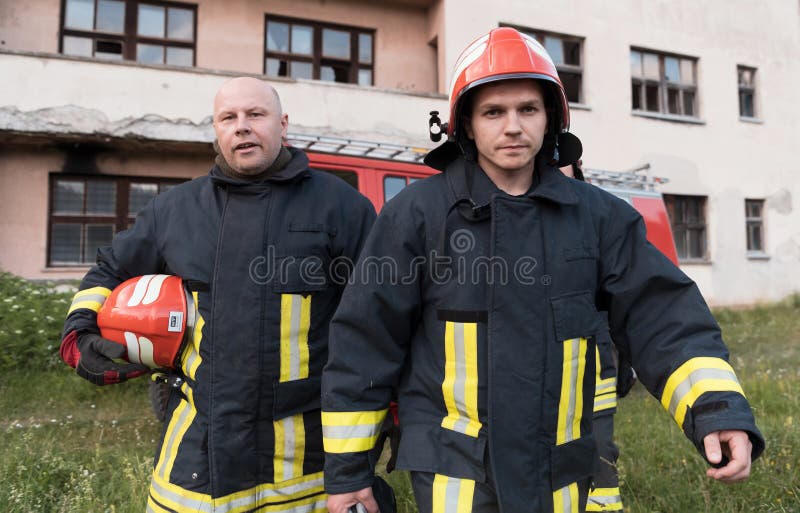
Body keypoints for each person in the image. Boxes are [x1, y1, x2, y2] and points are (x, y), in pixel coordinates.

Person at [320, 27, 764, 513]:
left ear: (550, 117)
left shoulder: (600, 218)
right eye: (494, 112)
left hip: (561, 471)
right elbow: (365, 344)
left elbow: (663, 318)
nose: (513, 127)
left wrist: (716, 410)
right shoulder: (415, 217)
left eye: (527, 110)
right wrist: (347, 472)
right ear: (465, 124)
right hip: (455, 474)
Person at [59, 77, 376, 512]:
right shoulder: (174, 211)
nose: (241, 127)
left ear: (282, 125)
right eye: (229, 118)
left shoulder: (343, 208)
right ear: (216, 129)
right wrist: (79, 331)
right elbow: (110, 269)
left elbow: (375, 326)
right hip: (195, 460)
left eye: (255, 115)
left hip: (307, 468)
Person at [559, 159, 628, 513]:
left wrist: (624, 359)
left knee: (599, 450)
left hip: (595, 361)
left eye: (561, 162)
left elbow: (621, 299)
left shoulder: (594, 214)